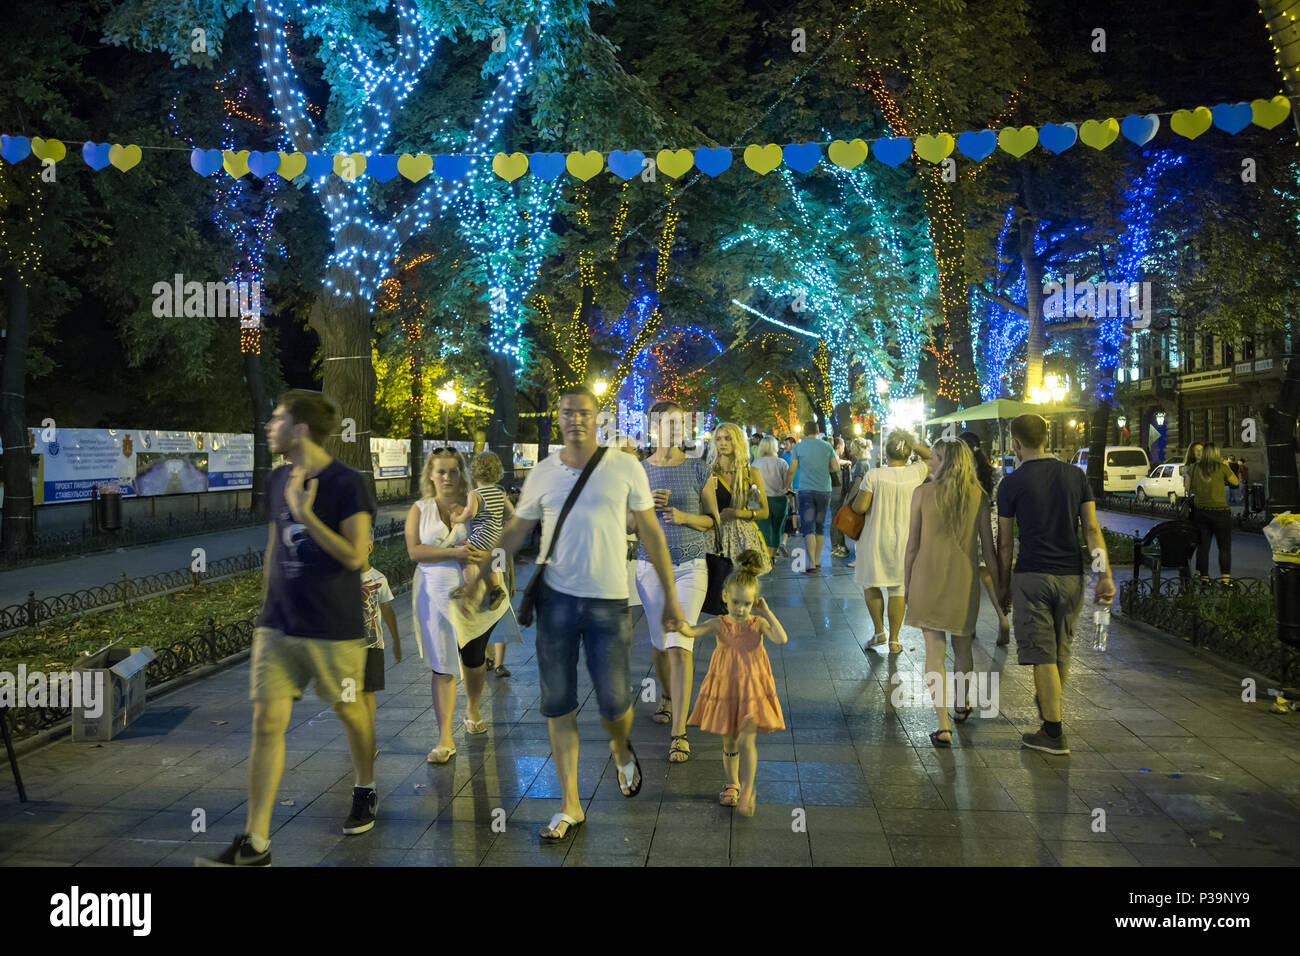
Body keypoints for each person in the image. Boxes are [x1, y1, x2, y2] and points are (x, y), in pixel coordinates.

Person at [495, 386, 686, 842]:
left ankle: (620, 746)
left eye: (583, 412)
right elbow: (515, 531)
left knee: (614, 704)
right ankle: (570, 806)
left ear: (598, 419)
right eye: (566, 412)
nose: (574, 419)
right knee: (558, 704)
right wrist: (481, 570)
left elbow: (652, 534)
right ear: (557, 418)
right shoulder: (542, 472)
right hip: (555, 602)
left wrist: (671, 600)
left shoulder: (624, 467)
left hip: (607, 602)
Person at [200, 390, 377, 866]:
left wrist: (305, 515)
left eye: (276, 417)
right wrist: (266, 604)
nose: (268, 424)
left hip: (334, 628)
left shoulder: (347, 483)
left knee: (351, 712)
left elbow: (356, 556)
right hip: (278, 624)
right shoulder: (277, 477)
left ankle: (365, 784)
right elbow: (273, 544)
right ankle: (256, 842)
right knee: (266, 723)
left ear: (298, 429)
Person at [996, 414, 1113, 757]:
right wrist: (1103, 575)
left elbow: (1004, 543)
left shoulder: (1011, 483)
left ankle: (1052, 731)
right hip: (1071, 577)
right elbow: (1091, 529)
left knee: (1042, 654)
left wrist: (1003, 586)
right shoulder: (1076, 476)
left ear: (1016, 444)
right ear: (1046, 439)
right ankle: (1050, 712)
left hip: (1032, 576)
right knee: (1060, 650)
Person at [407, 450, 517, 763]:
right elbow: (414, 552)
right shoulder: (420, 509)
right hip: (435, 597)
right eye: (440, 472)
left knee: (473, 658)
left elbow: (501, 543)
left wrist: (484, 559)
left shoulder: (475, 504)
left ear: (462, 474)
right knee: (442, 665)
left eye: (453, 471)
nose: (447, 478)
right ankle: (444, 739)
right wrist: (454, 555)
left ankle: (472, 707)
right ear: (430, 474)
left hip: (479, 596)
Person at [903, 439, 1000, 747]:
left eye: (934, 458)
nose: (929, 462)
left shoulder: (923, 494)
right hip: (964, 579)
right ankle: (961, 703)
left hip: (927, 576)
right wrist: (1000, 585)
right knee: (963, 648)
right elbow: (988, 547)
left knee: (933, 651)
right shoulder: (978, 496)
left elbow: (912, 547)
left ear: (947, 461)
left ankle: (942, 725)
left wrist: (908, 585)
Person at [635, 401, 717, 763]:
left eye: (681, 422)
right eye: (668, 422)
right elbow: (623, 524)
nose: (675, 428)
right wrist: (644, 510)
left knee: (680, 640)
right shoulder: (636, 472)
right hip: (649, 566)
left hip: (690, 565)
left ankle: (679, 732)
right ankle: (667, 696)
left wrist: (684, 516)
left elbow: (713, 521)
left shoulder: (700, 469)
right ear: (653, 427)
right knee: (659, 640)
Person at [680, 551, 787, 817]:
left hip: (751, 692)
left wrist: (766, 612)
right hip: (726, 691)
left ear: (754, 603)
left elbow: (782, 639)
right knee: (729, 741)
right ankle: (732, 785)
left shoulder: (757, 623)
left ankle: (748, 790)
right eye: (736, 602)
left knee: (746, 741)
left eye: (747, 604)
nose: (741, 609)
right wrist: (677, 624)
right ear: (725, 596)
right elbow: (690, 631)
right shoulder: (719, 624)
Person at [853, 430, 930, 653]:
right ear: (907, 454)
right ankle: (894, 639)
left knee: (871, 583)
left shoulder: (874, 475)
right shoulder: (916, 472)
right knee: (898, 587)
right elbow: (932, 456)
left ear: (885, 454)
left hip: (875, 537)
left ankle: (879, 631)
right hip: (906, 538)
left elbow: (860, 507)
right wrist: (914, 442)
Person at [960, 431, 1011, 645]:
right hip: (993, 529)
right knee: (988, 578)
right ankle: (1003, 619)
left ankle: (969, 625)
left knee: (967, 580)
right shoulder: (996, 474)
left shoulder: (963, 476)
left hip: (970, 529)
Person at [706, 422, 772, 574]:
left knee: (744, 590)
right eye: (719, 439)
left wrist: (736, 513)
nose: (722, 443)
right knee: (716, 590)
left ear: (738, 441)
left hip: (743, 540)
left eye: (728, 438)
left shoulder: (750, 474)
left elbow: (763, 511)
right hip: (714, 539)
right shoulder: (708, 473)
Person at [448, 451, 508, 613]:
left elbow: (470, 514)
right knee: (490, 566)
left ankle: (469, 586)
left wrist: (456, 518)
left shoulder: (475, 494)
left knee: (463, 552)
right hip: (497, 537)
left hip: (483, 535)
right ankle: (496, 589)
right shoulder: (500, 493)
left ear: (474, 472)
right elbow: (511, 512)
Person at [361, 531, 401, 736]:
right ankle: (357, 735)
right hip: (348, 650)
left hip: (372, 646)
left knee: (367, 693)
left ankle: (367, 737)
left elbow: (387, 610)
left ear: (369, 548)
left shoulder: (379, 579)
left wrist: (396, 641)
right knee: (350, 696)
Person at [789, 421, 838, 573]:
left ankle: (810, 563)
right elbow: (835, 467)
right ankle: (817, 560)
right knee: (820, 526)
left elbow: (792, 470)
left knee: (808, 527)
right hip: (824, 490)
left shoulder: (798, 447)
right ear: (818, 431)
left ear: (805, 431)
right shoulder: (827, 446)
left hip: (806, 491)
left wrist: (786, 485)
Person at [1187, 442, 1238, 581]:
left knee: (1203, 547)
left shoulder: (1194, 467)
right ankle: (1226, 580)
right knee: (1224, 547)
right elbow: (1235, 482)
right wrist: (1226, 468)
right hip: (1221, 512)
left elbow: (1188, 488)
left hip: (1201, 512)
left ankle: (1204, 578)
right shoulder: (1222, 467)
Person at [752, 435, 790, 561]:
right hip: (780, 500)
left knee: (765, 529)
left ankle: (768, 556)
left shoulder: (756, 463)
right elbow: (787, 484)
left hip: (762, 500)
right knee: (777, 529)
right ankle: (773, 555)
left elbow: (752, 485)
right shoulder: (782, 463)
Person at [830, 436, 853, 559]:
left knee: (836, 518)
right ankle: (837, 547)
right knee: (836, 519)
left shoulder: (835, 457)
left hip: (835, 492)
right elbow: (836, 462)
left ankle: (839, 545)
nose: (844, 449)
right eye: (843, 447)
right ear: (839, 447)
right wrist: (847, 462)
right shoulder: (833, 457)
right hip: (835, 493)